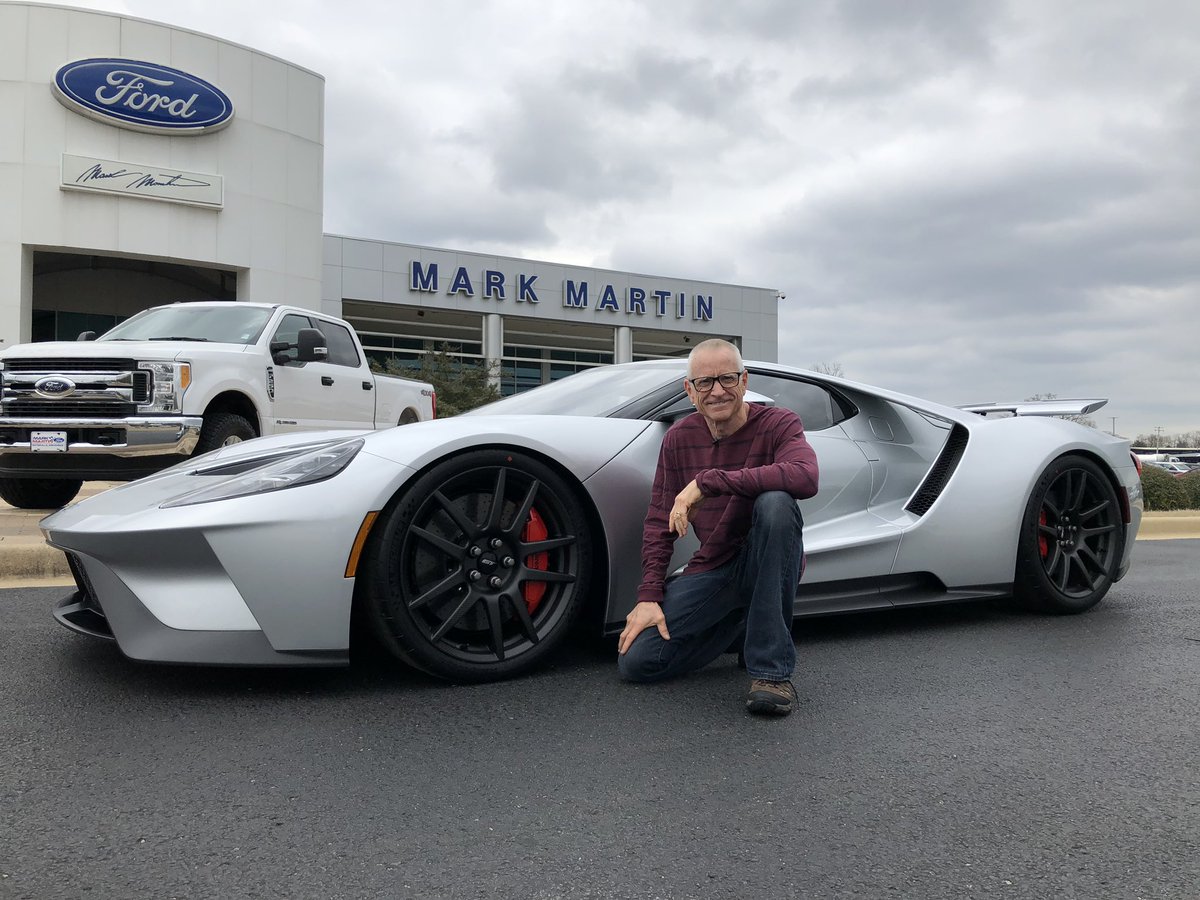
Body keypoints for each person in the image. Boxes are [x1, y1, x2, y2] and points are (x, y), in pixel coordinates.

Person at [617, 339, 819, 716]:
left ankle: (771, 673)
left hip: (769, 559)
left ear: (744, 380)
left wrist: (708, 482)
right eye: (705, 382)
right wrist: (649, 595)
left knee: (776, 502)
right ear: (689, 389)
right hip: (716, 565)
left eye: (727, 378)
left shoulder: (779, 423)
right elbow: (660, 521)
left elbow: (805, 477)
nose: (717, 391)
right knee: (638, 662)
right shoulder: (678, 439)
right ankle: (744, 624)